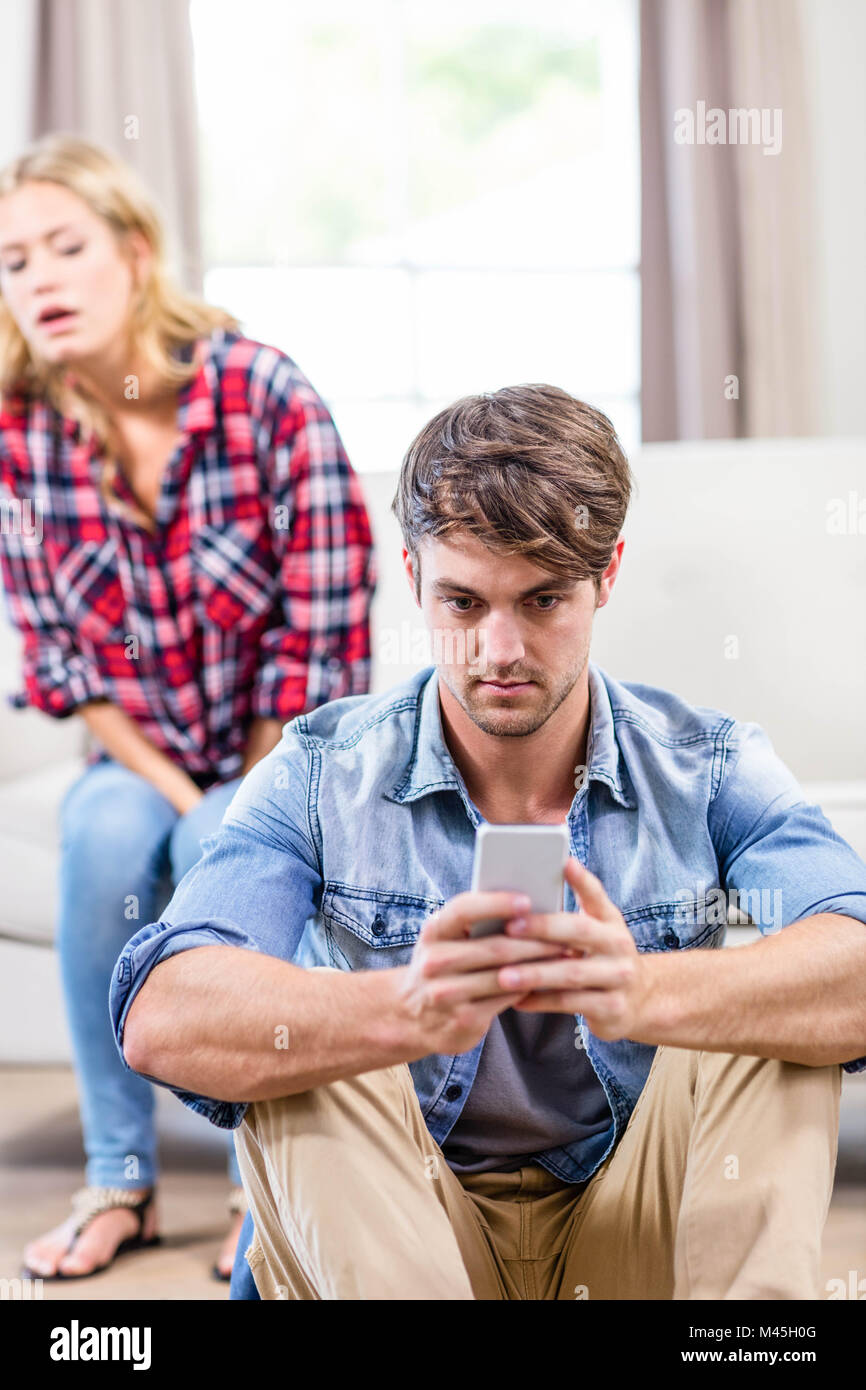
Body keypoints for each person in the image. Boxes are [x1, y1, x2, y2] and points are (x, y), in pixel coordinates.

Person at [112, 385, 866, 1300]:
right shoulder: (319, 770)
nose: (501, 651)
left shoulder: (708, 765)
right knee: (314, 1038)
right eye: (464, 603)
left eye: (543, 598)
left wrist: (643, 991)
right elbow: (164, 1013)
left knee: (766, 1027)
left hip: (631, 1242)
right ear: (412, 575)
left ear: (608, 575)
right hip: (409, 1243)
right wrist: (406, 1010)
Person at [0, 134, 375, 1282]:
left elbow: (323, 637)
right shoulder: (20, 433)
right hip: (144, 754)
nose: (40, 281)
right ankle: (120, 1180)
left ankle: (266, 1186)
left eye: (66, 246)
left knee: (224, 836)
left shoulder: (262, 394)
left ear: (138, 253)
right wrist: (174, 793)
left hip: (286, 749)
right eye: (13, 262)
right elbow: (71, 669)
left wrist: (226, 801)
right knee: (109, 827)